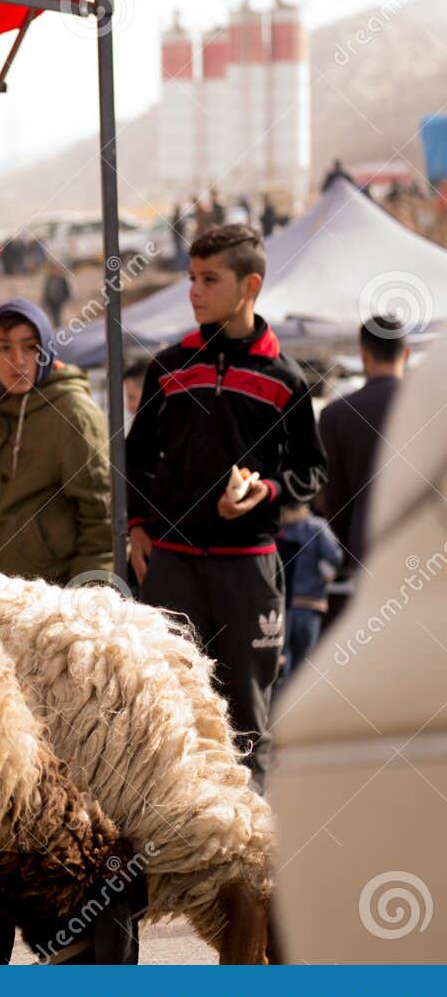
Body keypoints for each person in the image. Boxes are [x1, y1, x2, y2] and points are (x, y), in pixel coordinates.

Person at [126, 224, 326, 787]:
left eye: (209, 279)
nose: (193, 291)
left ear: (250, 285)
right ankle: (170, 853)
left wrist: (264, 492)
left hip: (250, 569)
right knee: (165, 717)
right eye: (191, 277)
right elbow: (135, 458)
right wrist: (137, 527)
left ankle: (252, 860)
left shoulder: (286, 380)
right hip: (170, 565)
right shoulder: (167, 367)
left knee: (246, 723)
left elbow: (313, 471)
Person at [0, 299, 112, 582]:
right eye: (4, 347)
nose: (17, 360)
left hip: (55, 595)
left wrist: (87, 596)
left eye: (31, 347)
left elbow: (101, 516)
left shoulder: (74, 414)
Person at [316, 315, 409, 579]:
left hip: (364, 548)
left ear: (364, 356)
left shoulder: (336, 414)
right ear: (407, 353)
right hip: (426, 550)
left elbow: (335, 499)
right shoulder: (433, 408)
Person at [275, 502, 341, 676]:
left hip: (280, 606)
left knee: (281, 664)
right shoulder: (316, 527)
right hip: (310, 603)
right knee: (305, 666)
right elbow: (335, 557)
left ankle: (282, 701)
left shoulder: (275, 527)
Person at [40, 262, 71, 328]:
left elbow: (66, 289)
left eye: (55, 269)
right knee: (53, 315)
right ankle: (56, 327)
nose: (54, 271)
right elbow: (46, 290)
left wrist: (66, 297)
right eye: (53, 269)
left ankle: (59, 326)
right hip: (51, 301)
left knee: (58, 315)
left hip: (59, 300)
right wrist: (44, 300)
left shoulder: (62, 279)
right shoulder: (49, 279)